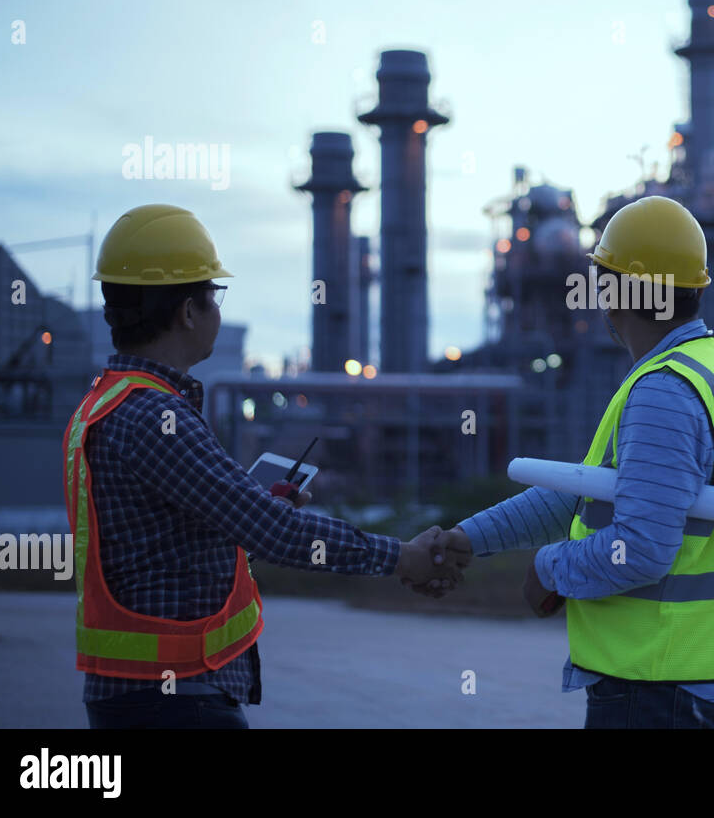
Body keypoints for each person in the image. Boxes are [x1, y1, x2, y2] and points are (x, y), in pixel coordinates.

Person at [66, 203, 468, 729]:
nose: (216, 311)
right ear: (188, 311)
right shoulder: (156, 416)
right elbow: (278, 533)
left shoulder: (105, 404)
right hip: (176, 698)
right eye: (213, 296)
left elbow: (161, 545)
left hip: (144, 693)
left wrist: (254, 513)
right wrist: (403, 556)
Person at [431, 195, 714, 728]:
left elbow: (640, 550)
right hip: (690, 678)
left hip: (659, 687)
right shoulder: (710, 369)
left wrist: (549, 569)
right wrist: (469, 538)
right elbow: (587, 492)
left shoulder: (664, 390)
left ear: (618, 291)